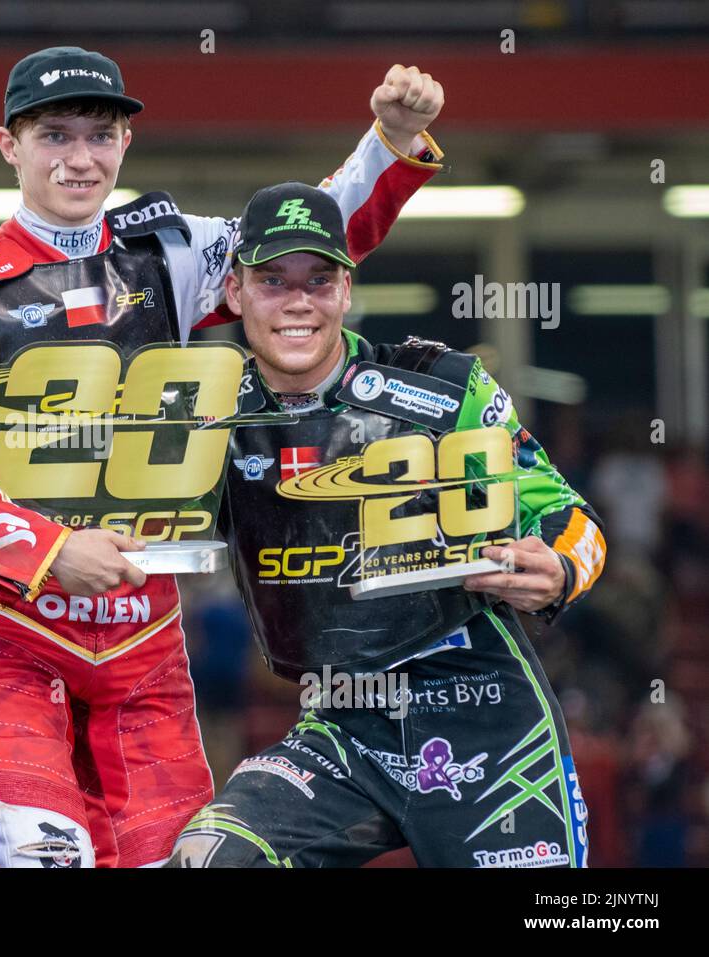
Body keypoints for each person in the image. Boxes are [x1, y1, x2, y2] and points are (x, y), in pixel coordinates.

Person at [0, 46, 447, 867]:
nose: (80, 157)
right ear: (9, 145)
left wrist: (389, 140)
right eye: (55, 135)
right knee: (50, 856)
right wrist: (50, 550)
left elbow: (305, 247)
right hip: (9, 633)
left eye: (100, 135)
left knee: (177, 860)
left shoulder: (174, 252)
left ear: (125, 145)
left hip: (145, 632)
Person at [167, 183, 606, 867]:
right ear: (236, 290)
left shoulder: (442, 388)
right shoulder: (205, 415)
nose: (298, 301)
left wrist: (559, 567)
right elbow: (127, 538)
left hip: (483, 716)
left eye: (318, 279)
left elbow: (566, 512)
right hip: (339, 724)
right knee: (213, 857)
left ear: (346, 288)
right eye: (272, 280)